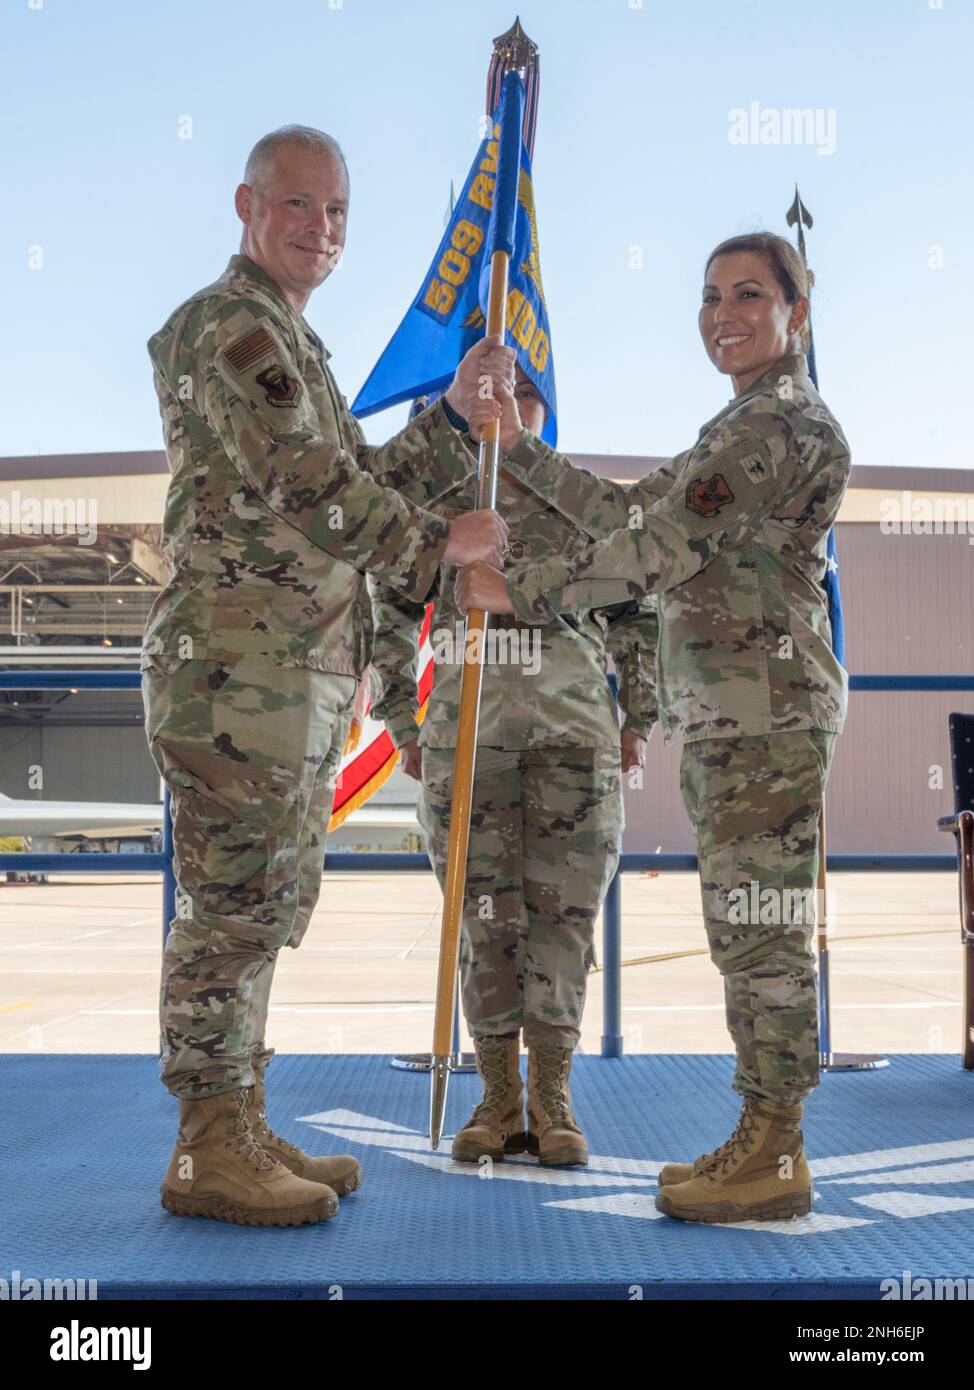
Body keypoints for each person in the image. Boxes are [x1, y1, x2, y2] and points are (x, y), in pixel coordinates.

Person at [142, 124, 513, 1228]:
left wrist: (449, 413)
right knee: (232, 912)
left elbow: (351, 470)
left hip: (287, 678)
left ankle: (238, 1119)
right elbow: (311, 487)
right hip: (235, 672)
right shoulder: (232, 326)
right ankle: (207, 1144)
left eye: (338, 212)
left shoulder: (295, 342)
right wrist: (442, 543)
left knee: (264, 905)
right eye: (299, 206)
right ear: (247, 205)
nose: (320, 229)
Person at [456, 232, 850, 1223]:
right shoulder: (736, 422)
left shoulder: (781, 426)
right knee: (742, 924)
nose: (722, 313)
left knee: (759, 927)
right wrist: (518, 447)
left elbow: (653, 548)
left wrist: (521, 588)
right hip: (734, 714)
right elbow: (625, 505)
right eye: (709, 295)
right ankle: (762, 1137)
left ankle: (774, 1147)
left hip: (763, 712)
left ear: (794, 310)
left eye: (747, 295)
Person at [370, 370, 657, 1166]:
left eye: (520, 405)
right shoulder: (445, 515)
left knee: (563, 922)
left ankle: (554, 1098)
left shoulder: (585, 502)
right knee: (483, 921)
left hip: (574, 739)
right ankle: (496, 1097)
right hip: (469, 740)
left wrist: (638, 713)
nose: (502, 417)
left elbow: (641, 607)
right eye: (489, 400)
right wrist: (403, 724)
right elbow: (387, 611)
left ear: (540, 416)